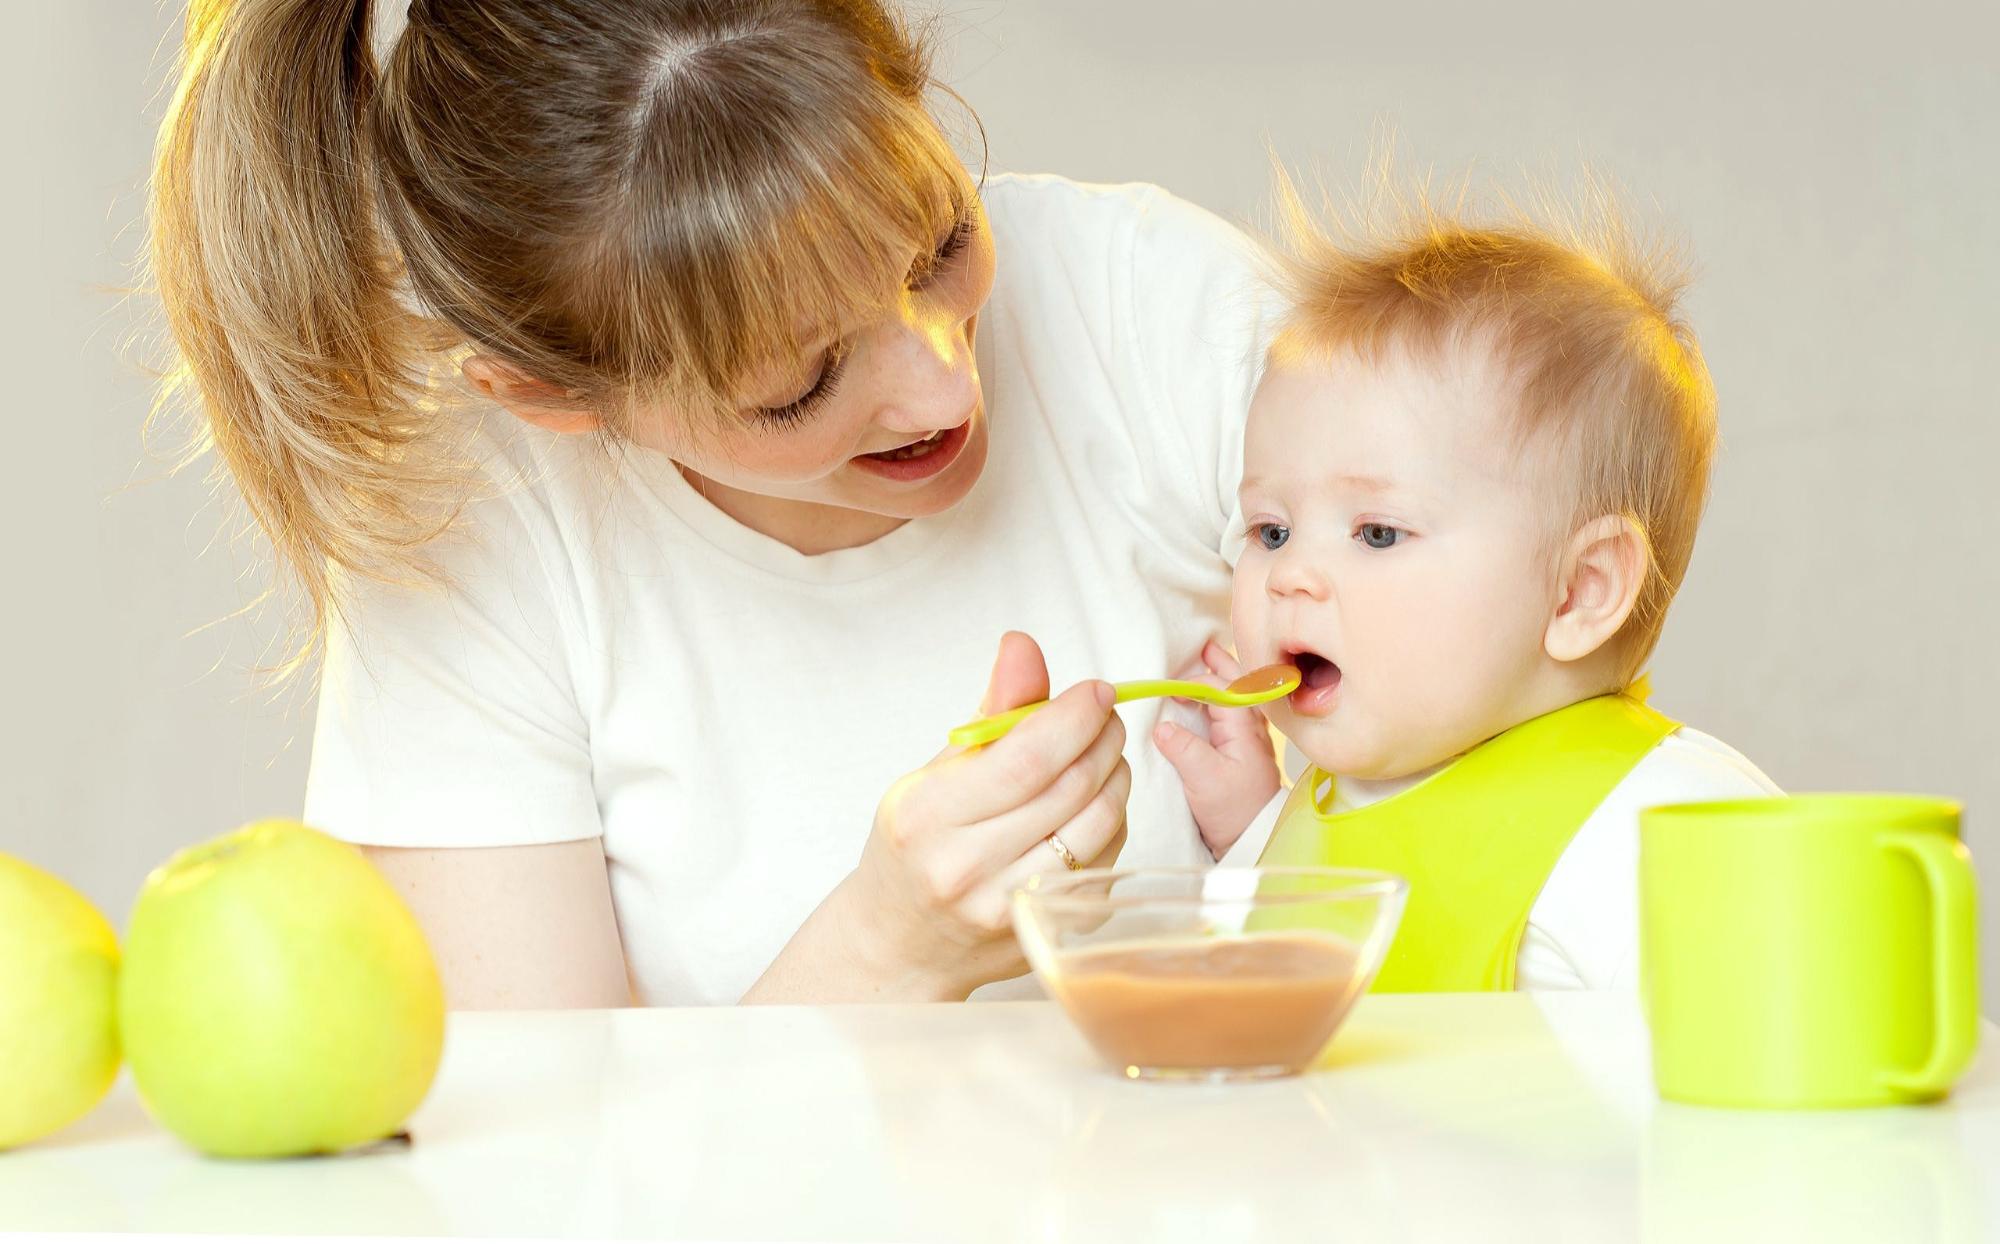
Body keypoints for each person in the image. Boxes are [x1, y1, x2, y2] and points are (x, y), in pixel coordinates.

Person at [150, 0, 1275, 1006]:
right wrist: (888, 953)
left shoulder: (1168, 314)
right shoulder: (474, 529)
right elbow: (527, 1186)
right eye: (800, 383)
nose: (944, 381)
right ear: (553, 397)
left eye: (937, 244)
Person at [1159, 178, 1780, 990]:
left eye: (1378, 532)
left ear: (1579, 591)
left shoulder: (1658, 823)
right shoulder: (1331, 799)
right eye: (1270, 532)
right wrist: (1257, 835)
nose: (1290, 577)